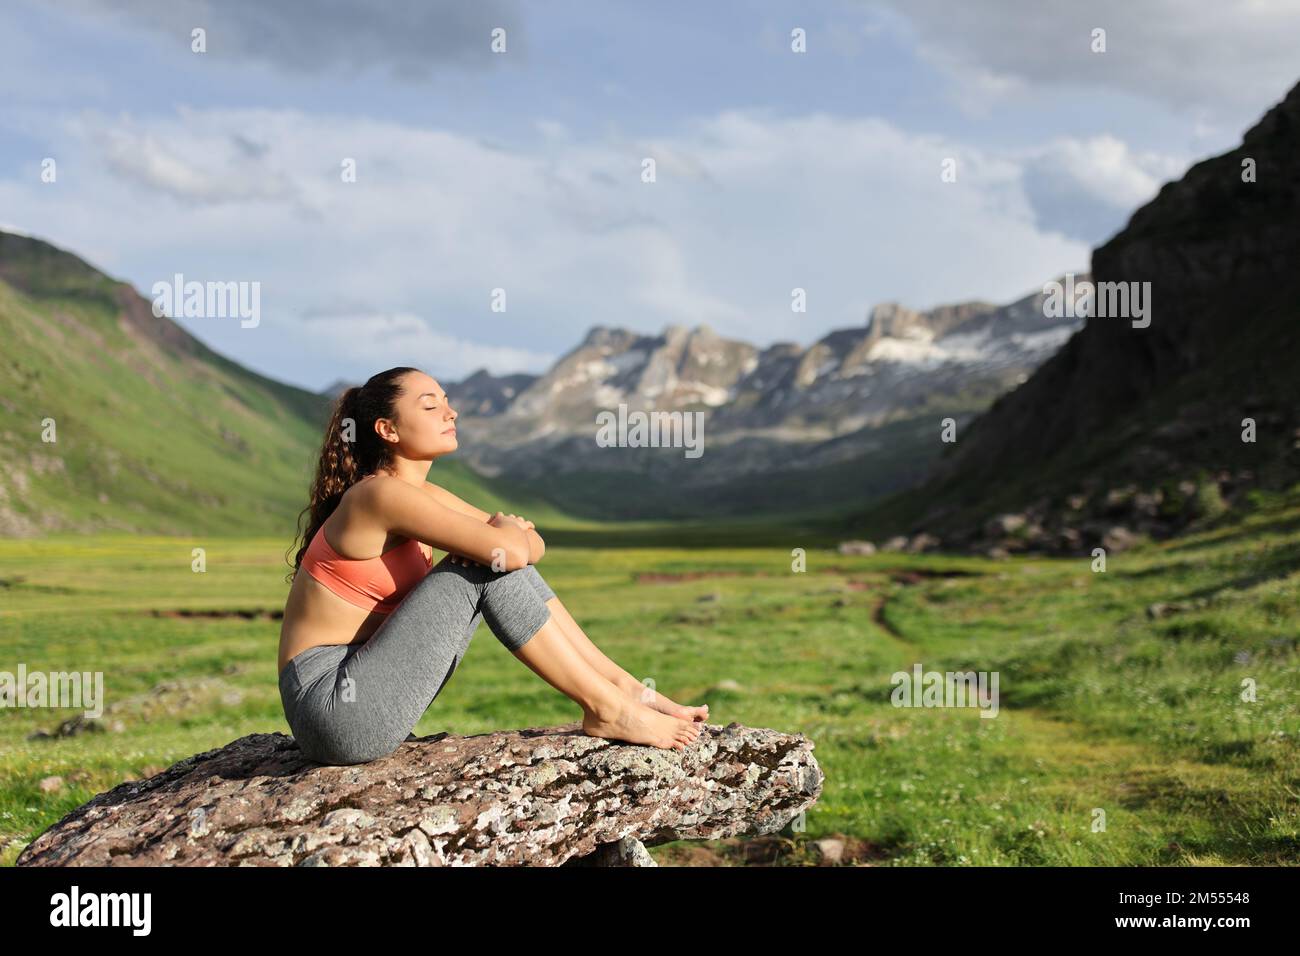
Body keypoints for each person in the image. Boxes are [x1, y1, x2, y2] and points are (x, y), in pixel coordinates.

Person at [277, 366, 707, 765]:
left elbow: (529, 548)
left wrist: (507, 538)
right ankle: (608, 708)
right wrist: (507, 537)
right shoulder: (378, 496)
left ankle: (625, 689)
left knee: (492, 560)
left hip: (368, 694)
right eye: (430, 405)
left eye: (446, 400)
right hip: (334, 708)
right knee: (481, 566)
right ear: (387, 430)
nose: (451, 411)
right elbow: (512, 550)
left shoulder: (421, 495)